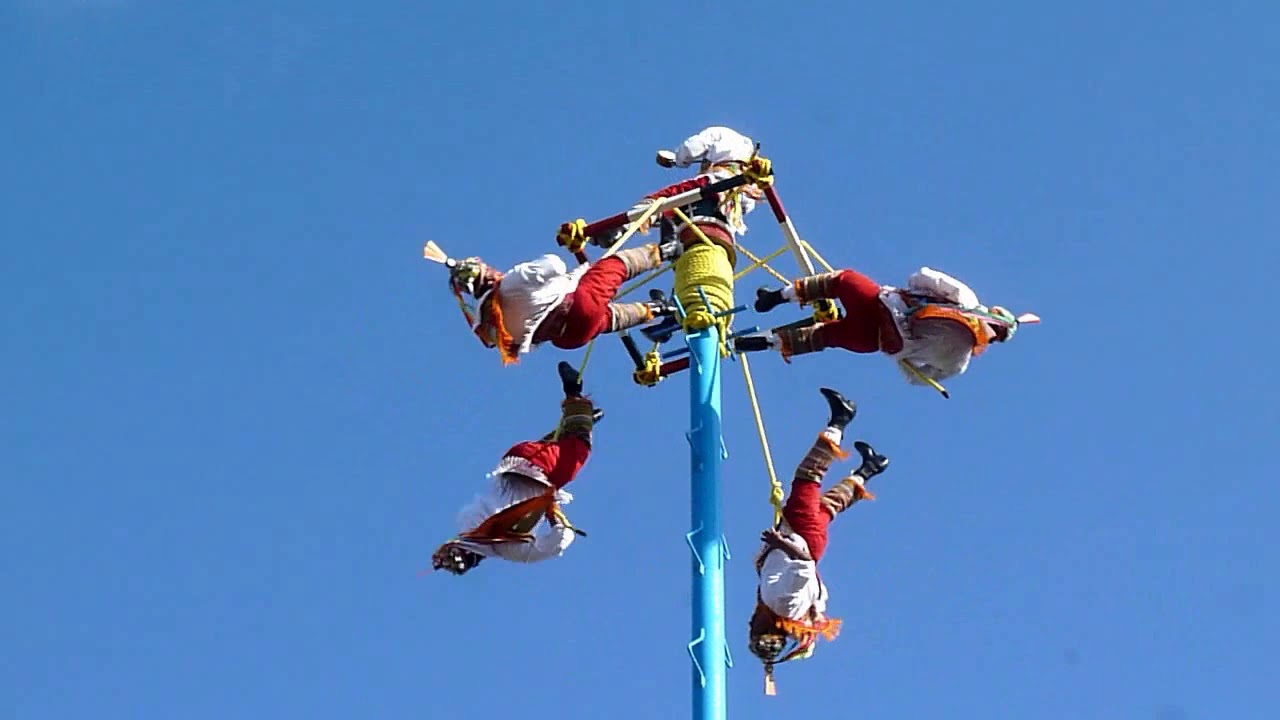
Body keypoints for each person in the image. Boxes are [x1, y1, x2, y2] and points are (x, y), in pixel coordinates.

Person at [748, 387, 890, 694]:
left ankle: (870, 468)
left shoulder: (786, 608)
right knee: (808, 476)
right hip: (801, 536)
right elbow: (804, 565)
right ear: (765, 628)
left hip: (806, 536)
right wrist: (779, 541)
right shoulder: (780, 603)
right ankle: (840, 419)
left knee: (828, 506)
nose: (749, 624)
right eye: (752, 629)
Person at [736, 266, 1040, 388]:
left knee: (841, 281)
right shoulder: (959, 363)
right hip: (877, 340)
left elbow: (923, 275)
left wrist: (909, 291)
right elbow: (916, 377)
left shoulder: (966, 300)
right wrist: (902, 355)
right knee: (825, 336)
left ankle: (778, 296)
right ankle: (768, 342)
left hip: (882, 305)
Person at [430, 362, 602, 575]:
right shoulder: (467, 522)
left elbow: (560, 540)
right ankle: (580, 418)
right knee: (558, 449)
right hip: (516, 457)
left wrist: (552, 513)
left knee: (579, 450)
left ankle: (574, 395)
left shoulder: (508, 549)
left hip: (538, 470)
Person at [447, 242, 680, 366]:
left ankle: (657, 308)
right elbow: (554, 265)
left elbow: (553, 294)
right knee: (614, 265)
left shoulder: (493, 327)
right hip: (578, 306)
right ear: (484, 274)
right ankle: (667, 250)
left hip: (570, 338)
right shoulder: (510, 284)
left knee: (607, 318)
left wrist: (578, 273)